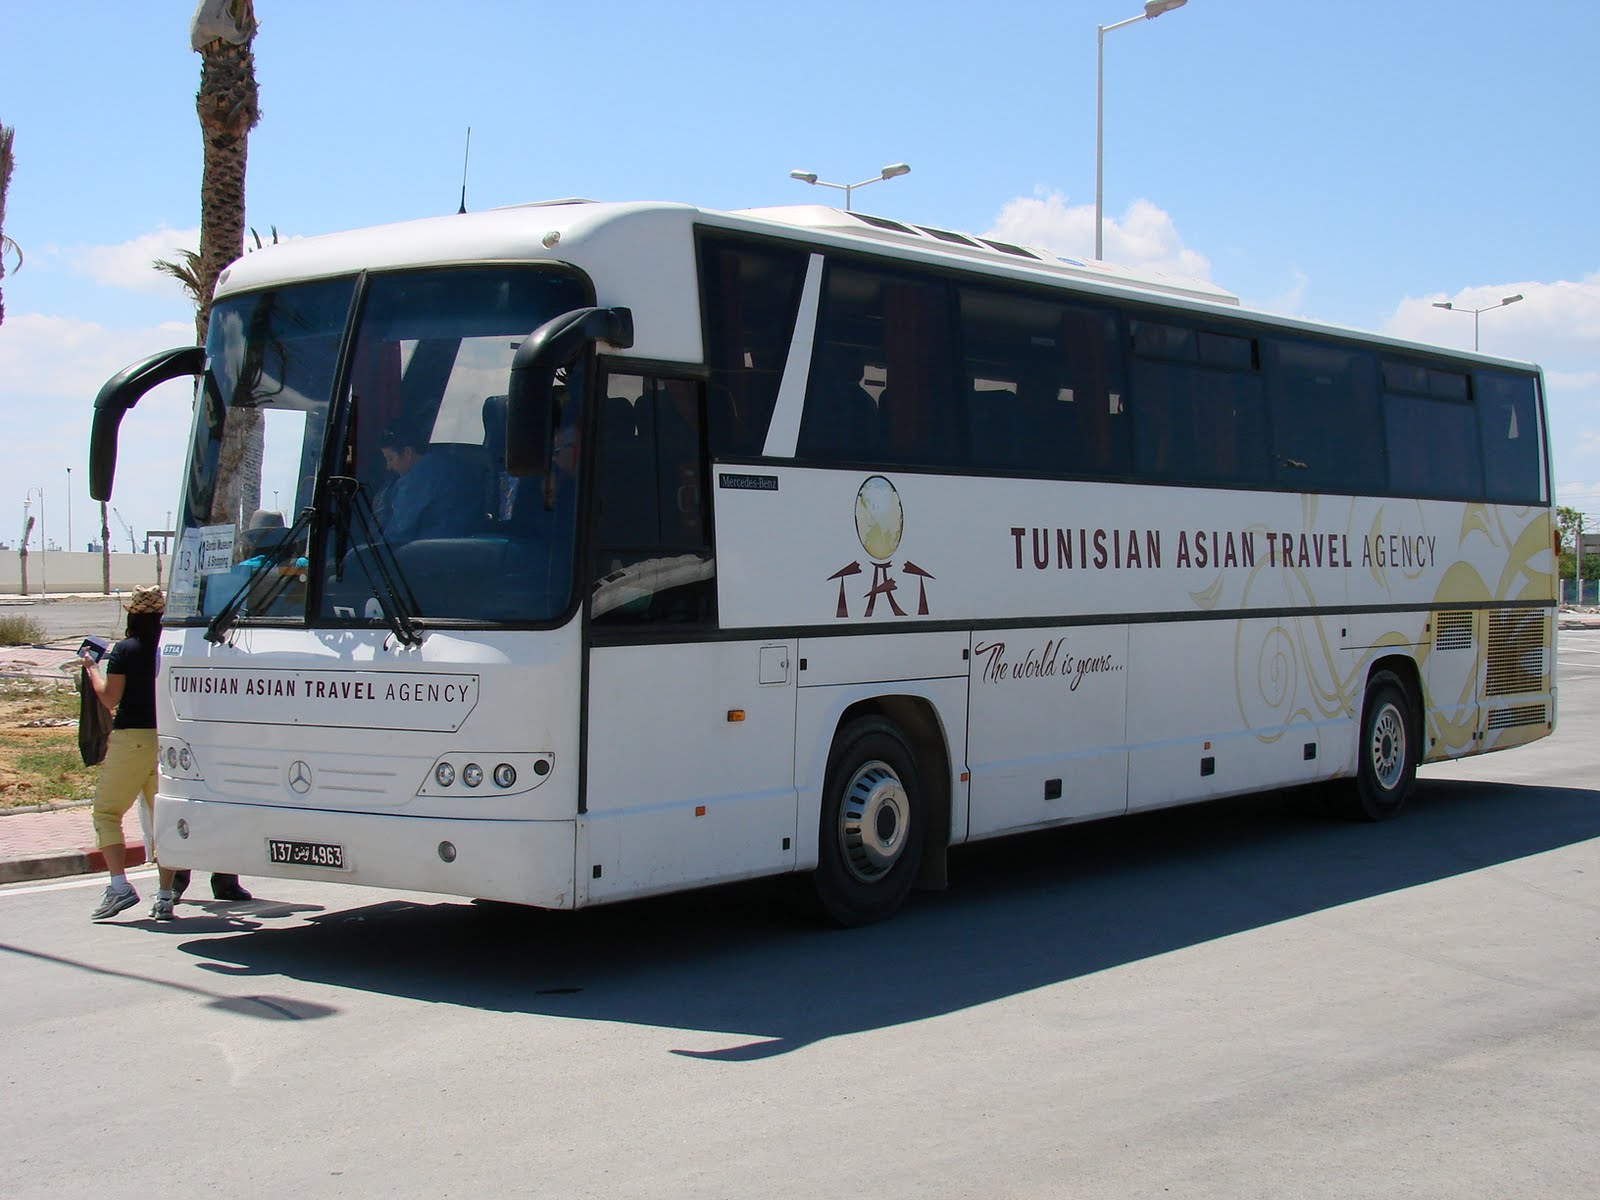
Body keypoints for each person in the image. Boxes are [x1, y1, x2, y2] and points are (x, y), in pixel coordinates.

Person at [83, 586, 179, 921]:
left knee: (107, 813)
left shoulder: (125, 649)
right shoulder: (171, 648)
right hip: (167, 736)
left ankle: (119, 886)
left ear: (132, 614)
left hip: (131, 738)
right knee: (162, 818)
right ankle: (165, 895)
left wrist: (91, 670)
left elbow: (110, 699)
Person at [375, 418, 483, 542]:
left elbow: (398, 531)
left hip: (432, 553)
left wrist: (374, 552)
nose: (389, 467)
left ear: (407, 452)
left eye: (390, 458)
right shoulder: (444, 465)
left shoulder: (420, 477)